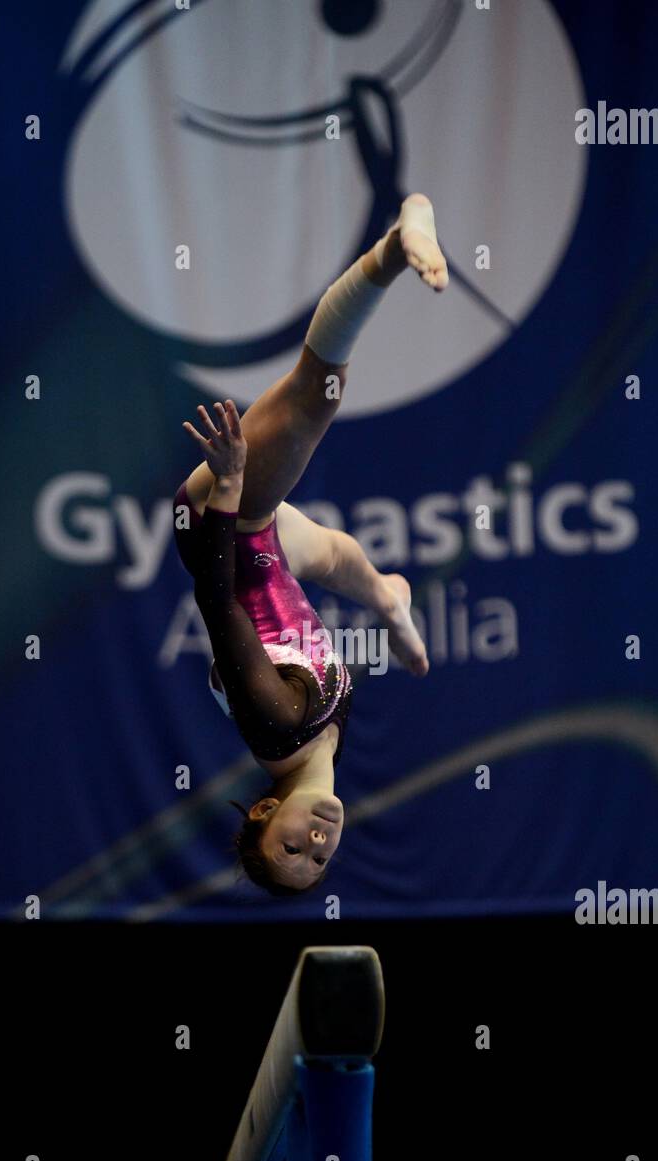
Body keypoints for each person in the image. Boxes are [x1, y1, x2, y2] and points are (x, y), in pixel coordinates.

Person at [173, 194, 448, 894]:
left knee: (317, 391)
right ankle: (388, 597)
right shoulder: (320, 751)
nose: (317, 843)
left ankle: (395, 246)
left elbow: (217, 603)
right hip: (273, 559)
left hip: (224, 528)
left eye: (292, 847)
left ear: (264, 812)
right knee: (333, 558)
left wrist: (229, 483)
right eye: (319, 861)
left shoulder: (277, 727)